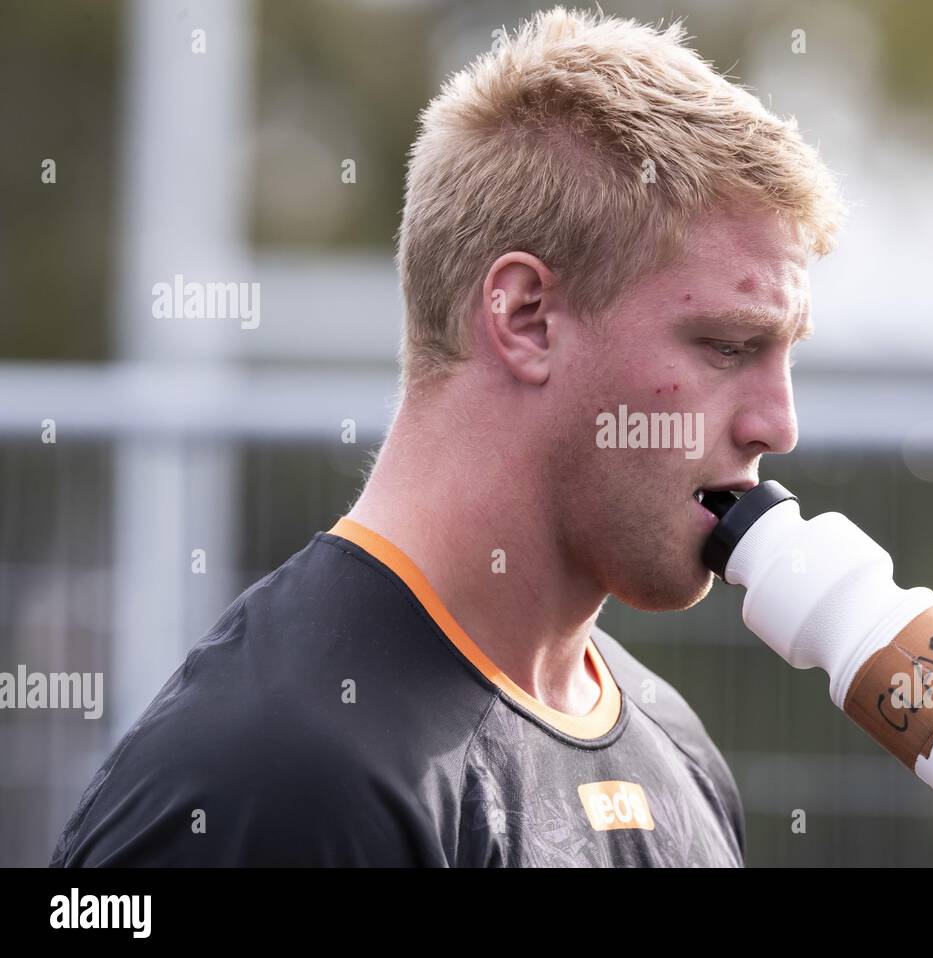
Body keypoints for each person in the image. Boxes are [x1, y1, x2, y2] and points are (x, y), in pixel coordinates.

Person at [50, 5, 844, 866]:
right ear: (527, 318)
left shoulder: (672, 743)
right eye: (729, 347)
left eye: (785, 355)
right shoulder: (275, 774)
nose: (779, 423)